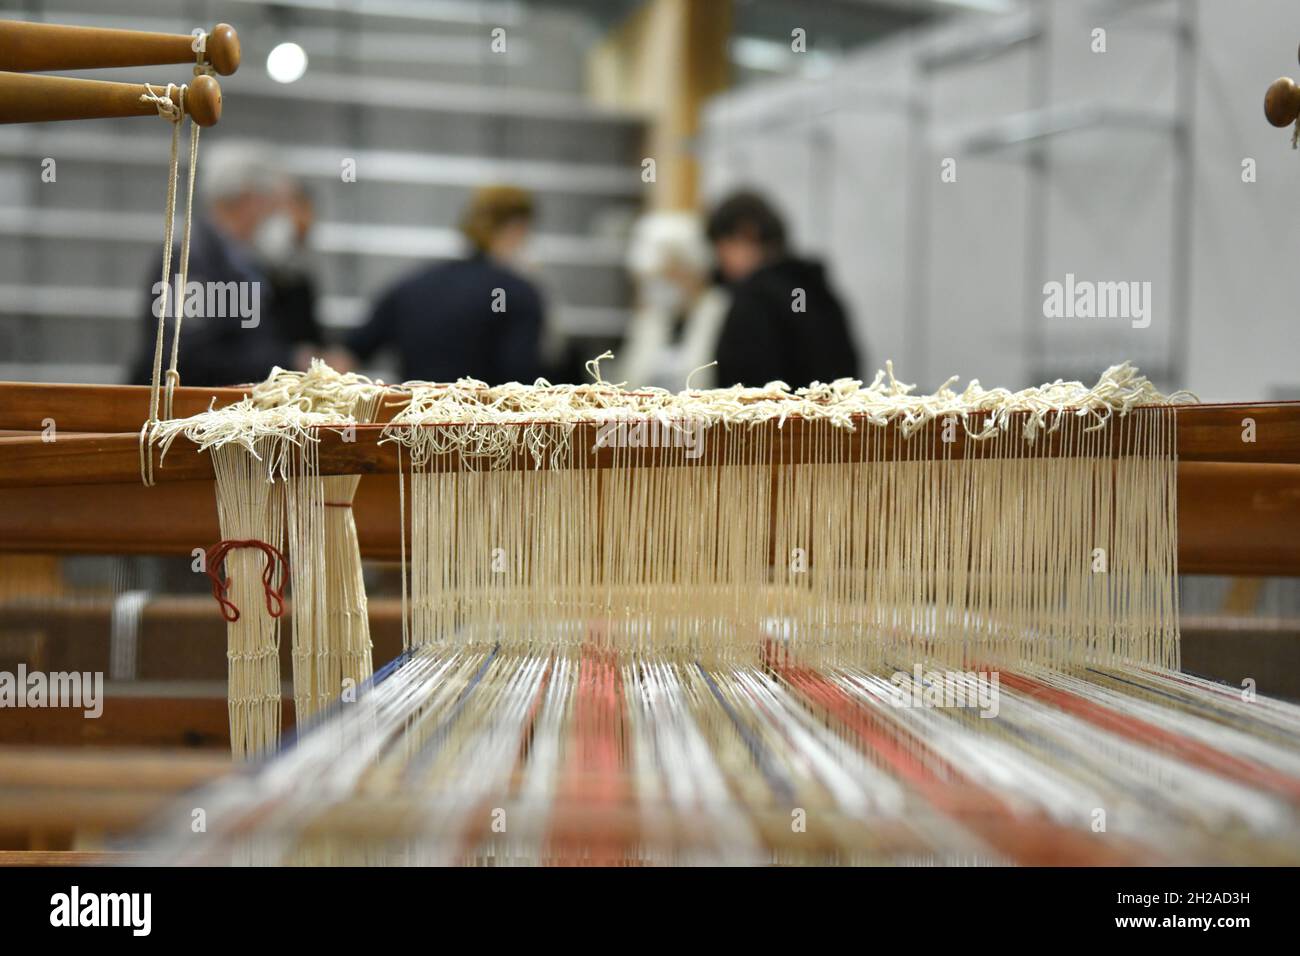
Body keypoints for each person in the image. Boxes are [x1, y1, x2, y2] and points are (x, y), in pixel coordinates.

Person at [128, 144, 321, 387]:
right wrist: (286, 361)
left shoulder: (240, 260)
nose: (274, 214)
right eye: (271, 202)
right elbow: (184, 358)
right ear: (248, 198)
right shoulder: (190, 261)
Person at [343, 185, 545, 383]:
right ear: (516, 228)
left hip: (416, 413)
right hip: (481, 414)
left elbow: (348, 355)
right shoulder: (518, 294)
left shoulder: (413, 286)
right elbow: (520, 377)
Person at [705, 191, 860, 388]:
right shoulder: (812, 289)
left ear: (746, 233)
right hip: (833, 417)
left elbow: (745, 382)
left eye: (721, 249)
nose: (720, 264)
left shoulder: (757, 298)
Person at [618, 211, 729, 390]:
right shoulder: (652, 321)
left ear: (693, 270)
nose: (657, 287)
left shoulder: (723, 313)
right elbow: (628, 383)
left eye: (666, 274)